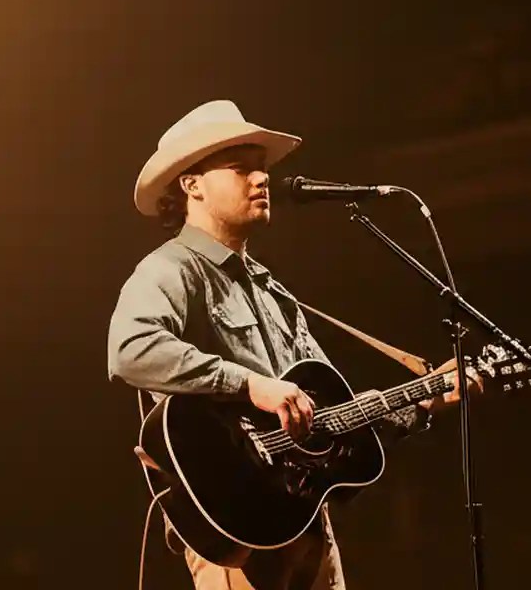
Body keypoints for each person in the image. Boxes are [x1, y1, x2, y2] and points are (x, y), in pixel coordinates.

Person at [108, 100, 478, 590]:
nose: (262, 179)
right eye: (241, 168)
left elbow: (331, 413)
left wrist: (422, 399)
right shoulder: (170, 270)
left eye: (261, 168)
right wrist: (251, 385)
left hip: (303, 521)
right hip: (236, 528)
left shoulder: (271, 289)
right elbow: (129, 349)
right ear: (191, 185)